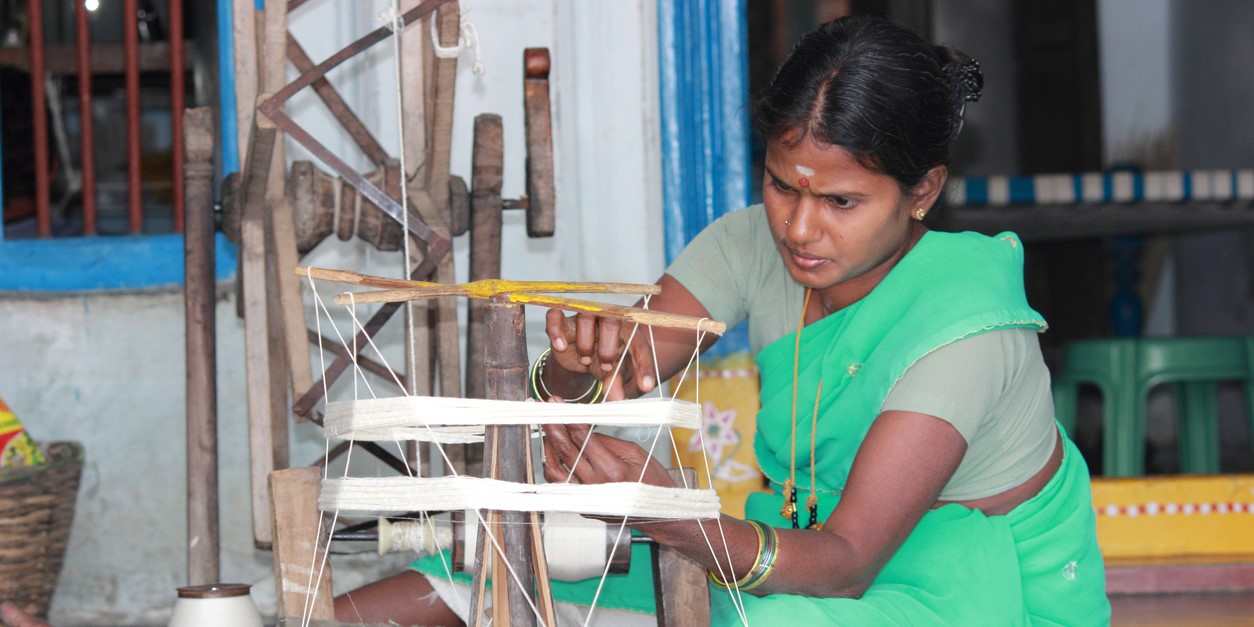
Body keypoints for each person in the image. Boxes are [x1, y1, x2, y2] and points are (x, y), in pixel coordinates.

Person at [336, 15, 1110, 626]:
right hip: (805, 559)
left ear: (923, 191)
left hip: (972, 594)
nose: (800, 228)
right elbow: (616, 375)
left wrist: (672, 514)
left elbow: (846, 563)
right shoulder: (751, 244)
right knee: (478, 572)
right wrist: (573, 368)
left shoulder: (965, 324)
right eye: (781, 185)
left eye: (841, 202)